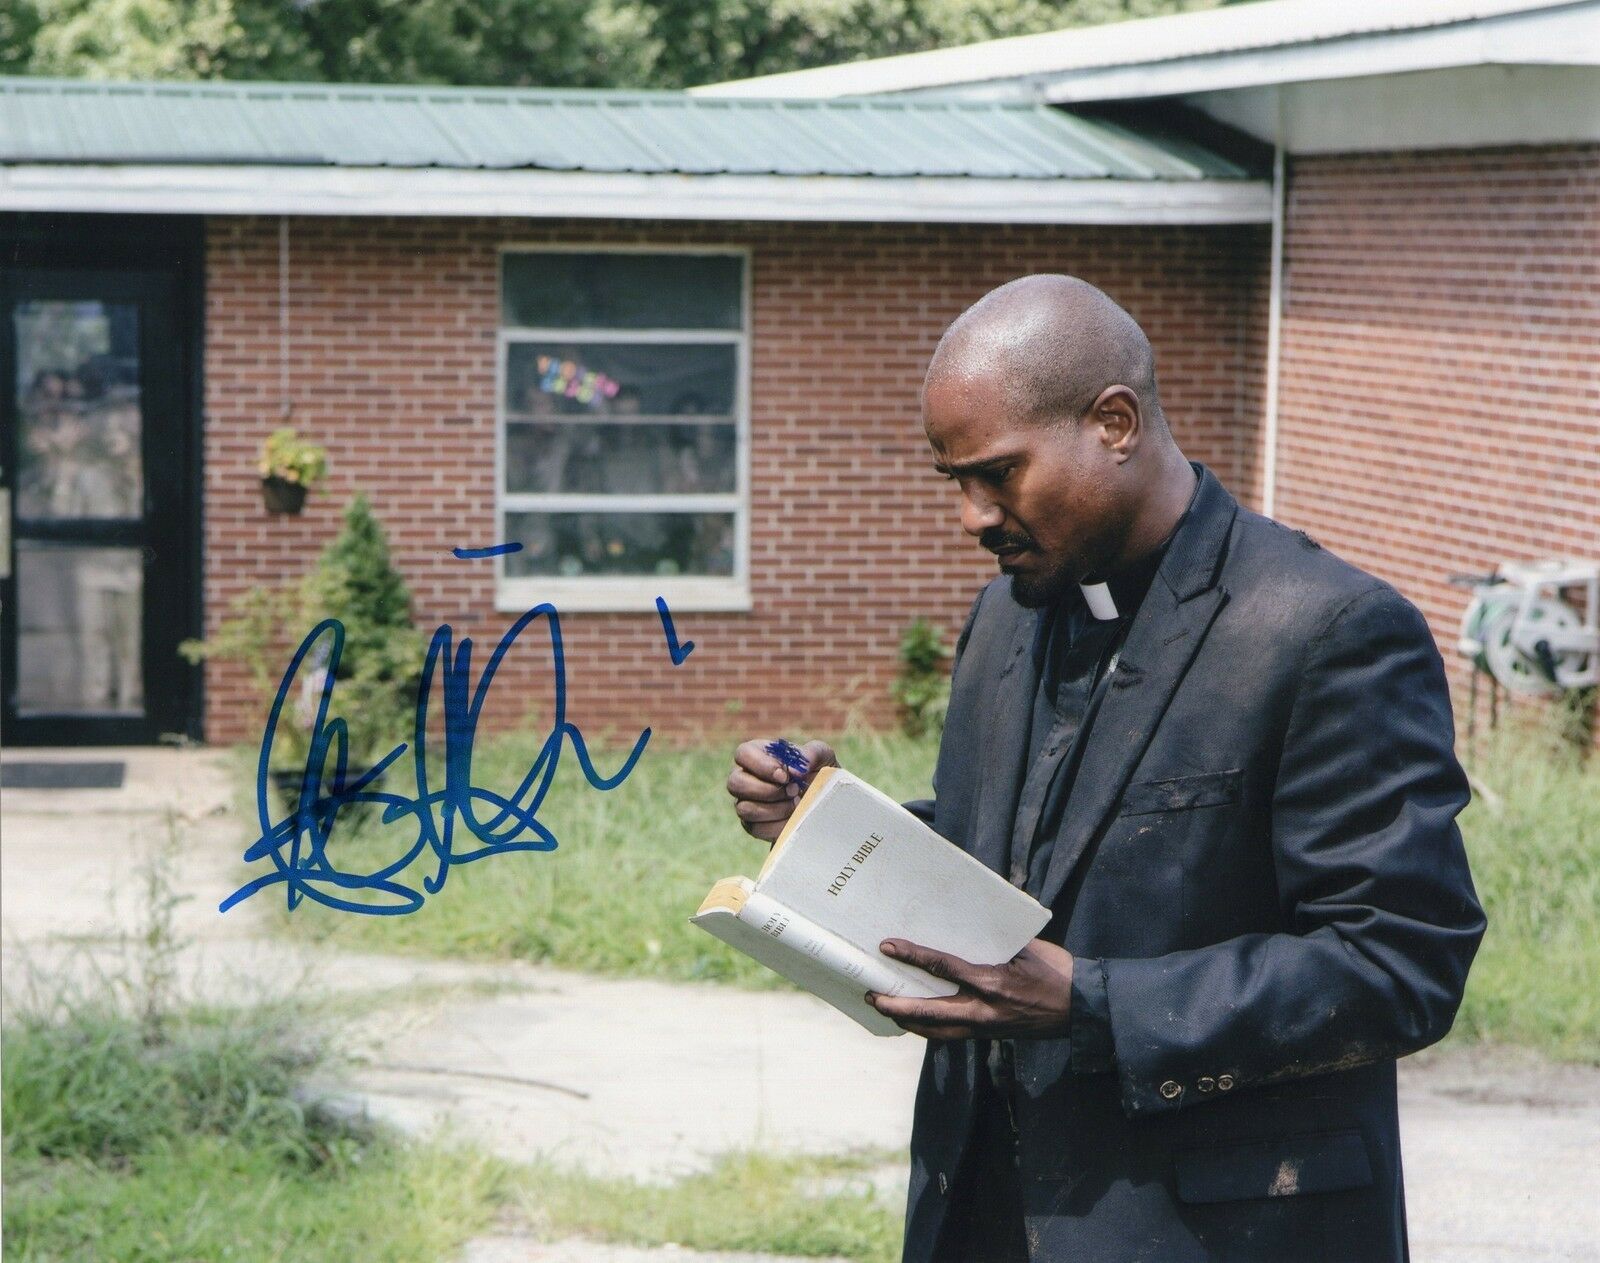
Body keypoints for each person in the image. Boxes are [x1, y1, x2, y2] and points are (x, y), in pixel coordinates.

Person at [725, 275, 1485, 1263]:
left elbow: (1400, 966)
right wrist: (832, 823)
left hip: (1214, 1231)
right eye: (953, 480)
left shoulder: (1323, 631)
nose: (970, 515)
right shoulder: (1009, 614)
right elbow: (1028, 854)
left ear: (1113, 422)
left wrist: (1092, 1005)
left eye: (997, 473)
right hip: (985, 1215)